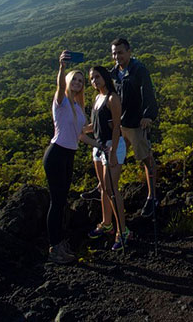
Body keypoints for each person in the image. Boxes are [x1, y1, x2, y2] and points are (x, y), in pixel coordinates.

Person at [43, 50, 89, 264]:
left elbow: (81, 133)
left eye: (81, 80)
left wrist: (102, 138)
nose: (78, 82)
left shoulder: (79, 107)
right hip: (56, 154)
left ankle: (60, 243)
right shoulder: (61, 101)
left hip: (69, 154)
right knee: (57, 201)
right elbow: (60, 86)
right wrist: (61, 67)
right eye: (75, 79)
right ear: (69, 81)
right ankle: (54, 248)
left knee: (62, 202)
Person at [109, 38, 159, 218]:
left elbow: (148, 92)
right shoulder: (114, 73)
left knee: (146, 159)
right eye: (114, 53)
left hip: (136, 124)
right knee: (114, 157)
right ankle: (105, 189)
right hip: (120, 125)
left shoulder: (139, 70)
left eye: (120, 52)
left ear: (129, 52)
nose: (117, 56)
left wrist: (148, 115)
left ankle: (152, 197)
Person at [83, 65, 130, 251]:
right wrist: (80, 130)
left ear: (105, 77)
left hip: (113, 147)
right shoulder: (97, 98)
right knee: (103, 188)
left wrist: (113, 151)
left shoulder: (112, 98)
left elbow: (117, 127)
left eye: (97, 77)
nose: (95, 81)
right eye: (92, 78)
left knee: (111, 189)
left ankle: (123, 231)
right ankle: (107, 223)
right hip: (99, 146)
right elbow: (96, 124)